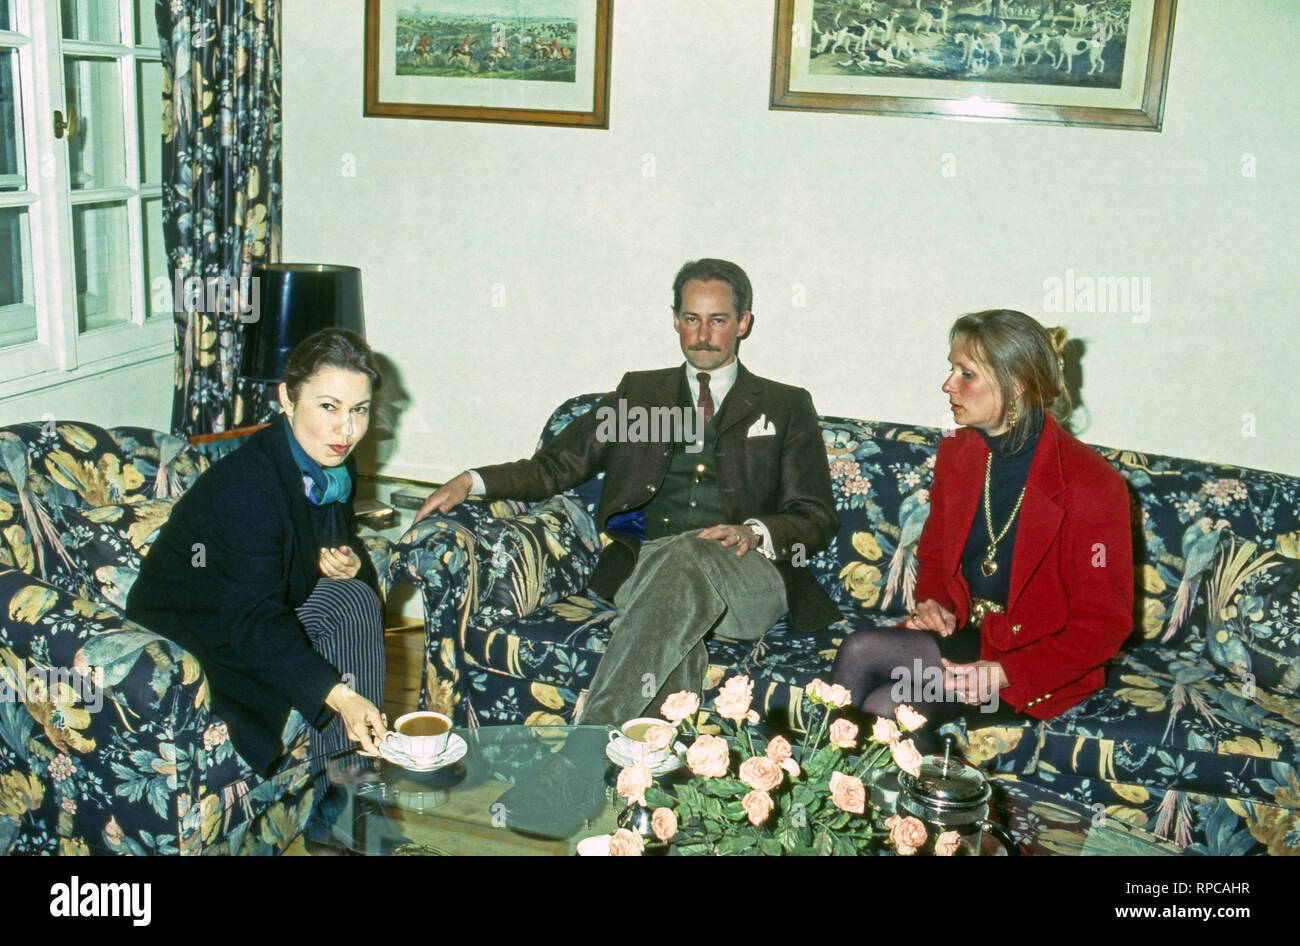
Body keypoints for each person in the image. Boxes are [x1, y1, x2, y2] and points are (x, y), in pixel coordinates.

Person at [416, 259, 840, 726]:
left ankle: (587, 748)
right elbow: (558, 465)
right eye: (691, 319)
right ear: (675, 319)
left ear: (743, 323)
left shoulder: (784, 404)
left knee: (686, 559)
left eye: (717, 320)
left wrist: (755, 531)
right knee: (675, 611)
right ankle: (652, 778)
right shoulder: (640, 394)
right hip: (646, 567)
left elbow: (814, 515)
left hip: (751, 578)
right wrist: (471, 480)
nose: (702, 334)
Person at [126, 328, 388, 834]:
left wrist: (353, 565)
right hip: (197, 637)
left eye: (359, 409)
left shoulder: (330, 462)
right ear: (286, 398)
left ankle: (347, 816)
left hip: (260, 606)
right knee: (340, 672)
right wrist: (341, 695)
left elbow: (336, 545)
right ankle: (352, 822)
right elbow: (251, 619)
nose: (346, 428)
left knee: (353, 596)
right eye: (329, 406)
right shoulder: (247, 487)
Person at [831, 310, 1132, 739]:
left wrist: (1008, 673)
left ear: (1015, 385)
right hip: (965, 638)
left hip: (1032, 665)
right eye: (951, 369)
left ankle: (838, 798)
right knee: (864, 664)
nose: (947, 385)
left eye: (966, 374)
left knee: (886, 697)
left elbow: (1104, 624)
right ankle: (830, 796)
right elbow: (934, 555)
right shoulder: (959, 452)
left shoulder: (1094, 486)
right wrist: (931, 601)